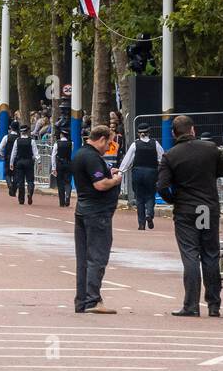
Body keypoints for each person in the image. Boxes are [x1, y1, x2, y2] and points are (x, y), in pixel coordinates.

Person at [157, 114, 223, 317]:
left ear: (174, 133)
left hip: (186, 210)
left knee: (190, 255)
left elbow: (161, 186)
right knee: (210, 254)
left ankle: (191, 305)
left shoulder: (170, 155)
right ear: (193, 130)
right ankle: (214, 305)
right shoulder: (210, 149)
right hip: (207, 208)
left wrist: (173, 199)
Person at [71, 125, 122, 314]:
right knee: (97, 257)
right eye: (108, 143)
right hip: (97, 212)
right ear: (101, 139)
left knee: (83, 258)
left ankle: (82, 300)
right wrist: (115, 180)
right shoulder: (92, 157)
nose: (108, 147)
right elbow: (100, 184)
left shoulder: (79, 154)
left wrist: (108, 172)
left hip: (83, 210)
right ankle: (93, 300)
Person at [121, 124, 161, 230]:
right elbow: (162, 158)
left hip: (137, 173)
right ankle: (150, 214)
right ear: (149, 132)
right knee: (150, 195)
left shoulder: (135, 144)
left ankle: (141, 224)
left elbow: (127, 161)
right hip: (151, 173)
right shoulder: (155, 144)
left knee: (139, 198)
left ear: (138, 133)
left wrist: (121, 171)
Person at [9, 124, 37, 206]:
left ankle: (21, 199)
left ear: (21, 132)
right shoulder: (31, 141)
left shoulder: (17, 141)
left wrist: (11, 163)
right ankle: (30, 192)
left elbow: (13, 153)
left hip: (19, 162)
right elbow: (36, 153)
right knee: (30, 180)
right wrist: (38, 162)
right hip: (29, 162)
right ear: (27, 131)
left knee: (20, 181)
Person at [50, 126, 73, 208]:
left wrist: (53, 167)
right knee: (68, 182)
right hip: (68, 163)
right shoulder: (71, 143)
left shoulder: (57, 143)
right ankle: (68, 195)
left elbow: (53, 156)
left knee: (60, 183)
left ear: (62, 135)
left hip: (59, 164)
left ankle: (62, 202)